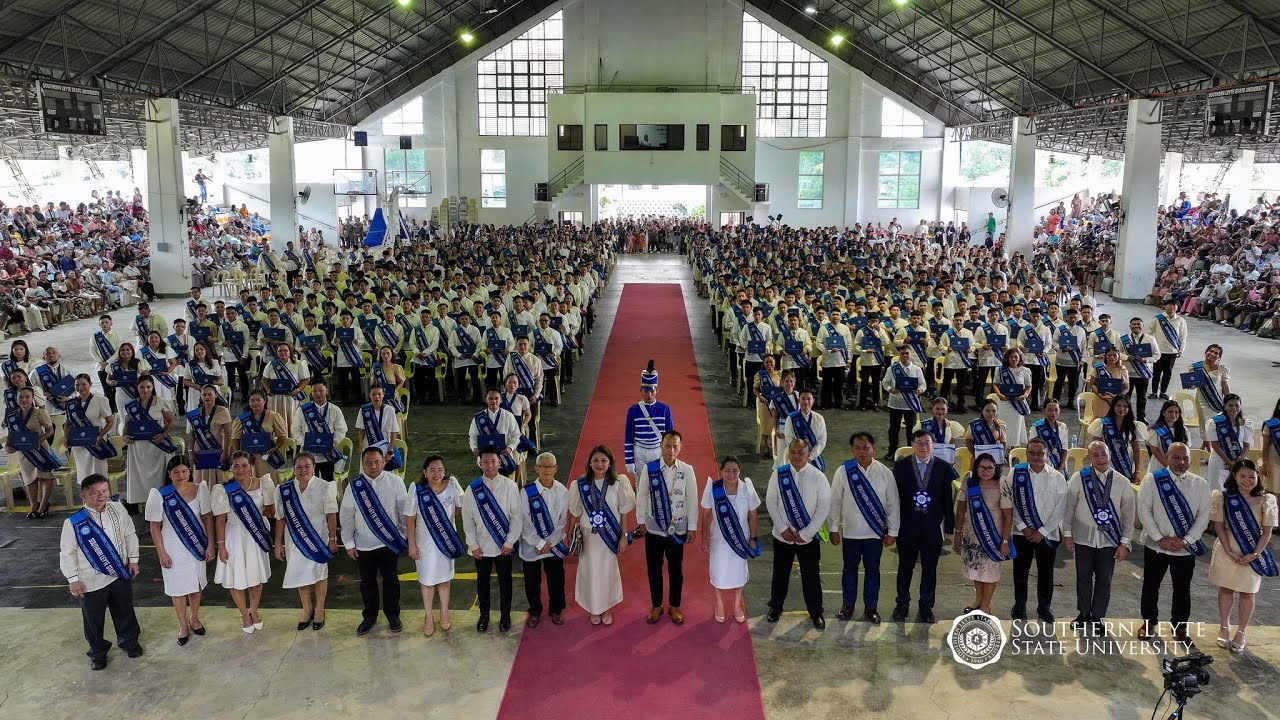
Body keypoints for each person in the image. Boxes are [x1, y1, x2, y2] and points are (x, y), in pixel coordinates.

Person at [59, 474, 142, 670]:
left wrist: (134, 560)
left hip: (119, 572)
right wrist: (73, 579)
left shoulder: (118, 509)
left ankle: (129, 642)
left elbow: (130, 534)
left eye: (104, 491)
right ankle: (97, 653)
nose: (101, 496)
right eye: (94, 493)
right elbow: (67, 552)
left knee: (125, 611)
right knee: (93, 620)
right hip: (90, 580)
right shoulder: (74, 522)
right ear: (83, 496)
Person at [1136, 442, 1210, 643]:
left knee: (1182, 589)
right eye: (1176, 457)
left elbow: (1203, 516)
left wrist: (1186, 540)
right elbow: (1144, 511)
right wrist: (1159, 538)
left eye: (1185, 458)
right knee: (1150, 585)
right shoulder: (1152, 480)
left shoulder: (1200, 484)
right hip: (1156, 545)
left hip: (1185, 548)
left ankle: (1180, 627)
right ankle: (1149, 622)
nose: (1181, 462)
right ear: (1166, 458)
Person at [1063, 441, 1136, 635]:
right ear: (1089, 457)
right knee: (1083, 578)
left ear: (1109, 454)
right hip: (1083, 538)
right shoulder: (1079, 478)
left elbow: (1128, 515)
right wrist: (1067, 534)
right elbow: (1069, 508)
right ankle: (1083, 613)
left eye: (1103, 453)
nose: (1100, 458)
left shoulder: (1122, 482)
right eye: (1095, 455)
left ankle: (1097, 616)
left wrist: (1125, 542)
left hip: (1109, 540)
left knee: (1105, 580)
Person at [827, 431, 899, 624]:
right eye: (857, 448)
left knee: (873, 571)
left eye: (866, 447)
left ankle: (871, 608)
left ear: (873, 448)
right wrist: (833, 528)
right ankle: (847, 606)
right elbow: (834, 501)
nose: (862, 452)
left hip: (875, 534)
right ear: (852, 450)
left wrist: (893, 532)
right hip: (850, 532)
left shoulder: (885, 473)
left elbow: (893, 504)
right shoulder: (844, 472)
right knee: (849, 570)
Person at [1209, 458, 1277, 653]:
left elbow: (1267, 532)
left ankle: (1241, 631)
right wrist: (1229, 550)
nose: (1247, 480)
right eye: (1242, 476)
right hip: (1227, 548)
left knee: (1248, 592)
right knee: (1226, 589)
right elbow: (1219, 526)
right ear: (1234, 476)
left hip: (1253, 551)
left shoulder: (1267, 499)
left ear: (1258, 477)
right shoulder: (1223, 497)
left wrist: (1255, 554)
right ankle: (1224, 626)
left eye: (1251, 476)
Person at [340, 446, 409, 636]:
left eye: (377, 462)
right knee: (367, 583)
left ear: (384, 462)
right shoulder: (354, 487)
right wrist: (348, 543)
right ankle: (369, 617)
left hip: (389, 542)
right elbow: (346, 516)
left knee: (391, 581)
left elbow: (403, 512)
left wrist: (403, 536)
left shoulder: (395, 482)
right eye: (368, 463)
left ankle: (393, 616)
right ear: (362, 464)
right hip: (363, 545)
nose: (373, 466)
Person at [565, 445, 636, 626]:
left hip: (609, 537)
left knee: (607, 573)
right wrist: (570, 533)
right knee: (589, 572)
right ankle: (593, 608)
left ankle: (606, 608)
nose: (599, 464)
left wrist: (623, 536)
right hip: (588, 537)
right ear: (590, 463)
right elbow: (575, 512)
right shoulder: (580, 485)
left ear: (610, 463)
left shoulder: (618, 483)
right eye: (595, 460)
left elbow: (624, 512)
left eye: (604, 460)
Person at [145, 456, 213, 645]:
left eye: (184, 471)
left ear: (190, 472)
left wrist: (210, 544)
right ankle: (182, 624)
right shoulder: (160, 494)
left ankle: (194, 618)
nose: (181, 475)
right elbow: (154, 526)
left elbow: (207, 518)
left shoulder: (200, 489)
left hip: (196, 543)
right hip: (172, 546)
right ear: (169, 474)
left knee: (196, 585)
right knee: (178, 588)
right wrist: (161, 553)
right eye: (176, 472)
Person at [891, 430, 956, 624]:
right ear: (912, 444)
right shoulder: (901, 466)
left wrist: (950, 526)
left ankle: (926, 606)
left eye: (927, 443)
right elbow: (894, 499)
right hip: (907, 526)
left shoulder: (943, 467)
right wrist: (892, 526)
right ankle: (902, 604)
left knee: (930, 568)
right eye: (919, 442)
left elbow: (947, 498)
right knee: (905, 567)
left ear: (933, 445)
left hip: (932, 526)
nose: (923, 447)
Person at [765, 439, 831, 629]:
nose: (796, 456)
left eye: (801, 452)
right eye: (793, 452)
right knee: (780, 573)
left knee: (811, 575)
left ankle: (816, 612)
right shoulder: (779, 474)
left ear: (809, 455)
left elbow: (823, 507)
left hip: (808, 538)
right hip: (782, 536)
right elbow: (771, 501)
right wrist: (782, 528)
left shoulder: (819, 477)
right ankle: (775, 607)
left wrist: (807, 533)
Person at [635, 430, 698, 625]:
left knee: (675, 569)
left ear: (681, 447)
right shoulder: (650, 469)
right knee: (654, 568)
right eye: (667, 446)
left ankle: (674, 605)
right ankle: (656, 605)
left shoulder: (687, 470)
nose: (671, 450)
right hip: (654, 528)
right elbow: (642, 495)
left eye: (675, 446)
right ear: (661, 446)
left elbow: (692, 499)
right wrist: (641, 521)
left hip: (677, 529)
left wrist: (692, 526)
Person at [273, 453, 338, 632]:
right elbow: (280, 519)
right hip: (295, 541)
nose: (303, 470)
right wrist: (278, 544)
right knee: (301, 574)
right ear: (294, 469)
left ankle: (320, 609)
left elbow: (331, 515)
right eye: (299, 467)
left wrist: (333, 539)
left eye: (307, 466)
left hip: (318, 540)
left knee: (319, 575)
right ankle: (307, 609)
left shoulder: (325, 487)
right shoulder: (284, 490)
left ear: (314, 468)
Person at [1004, 439, 1067, 622]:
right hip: (1021, 533)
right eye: (1032, 453)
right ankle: (1019, 606)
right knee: (1020, 572)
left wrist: (1043, 531)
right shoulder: (1016, 473)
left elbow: (1060, 508)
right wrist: (1023, 527)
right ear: (1026, 454)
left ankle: (1044, 607)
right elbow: (1010, 501)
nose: (1036, 456)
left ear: (1047, 455)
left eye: (1041, 453)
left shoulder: (1057, 477)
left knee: (1046, 573)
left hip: (1047, 534)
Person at [461, 446, 522, 633]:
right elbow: (467, 519)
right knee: (482, 582)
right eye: (485, 462)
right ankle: (484, 616)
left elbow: (517, 517)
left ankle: (505, 616)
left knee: (505, 582)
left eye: (493, 461)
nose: (489, 465)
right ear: (479, 463)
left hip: (504, 545)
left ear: (500, 462)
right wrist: (473, 544)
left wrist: (510, 542)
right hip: (481, 546)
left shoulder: (510, 486)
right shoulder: (472, 489)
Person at [212, 453, 275, 633]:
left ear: (251, 466)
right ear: (231, 468)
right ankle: (243, 614)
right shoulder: (223, 489)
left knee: (256, 577)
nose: (240, 470)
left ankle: (253, 610)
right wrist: (221, 545)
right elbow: (220, 520)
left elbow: (270, 511)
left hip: (256, 536)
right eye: (236, 466)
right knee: (236, 577)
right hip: (234, 536)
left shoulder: (263, 484)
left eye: (244, 465)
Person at [406, 454, 465, 636]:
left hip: (446, 542)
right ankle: (428, 616)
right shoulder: (417, 489)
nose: (436, 474)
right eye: (432, 470)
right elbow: (410, 518)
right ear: (425, 472)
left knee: (444, 580)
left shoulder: (452, 485)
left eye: (440, 470)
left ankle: (444, 613)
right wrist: (411, 544)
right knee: (427, 581)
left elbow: (460, 507)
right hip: (424, 544)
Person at [699, 455, 761, 624]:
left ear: (739, 471)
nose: (731, 474)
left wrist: (753, 538)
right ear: (722, 471)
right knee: (719, 571)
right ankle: (719, 604)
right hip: (719, 539)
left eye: (735, 471)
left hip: (740, 540)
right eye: (727, 470)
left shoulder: (747, 488)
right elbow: (706, 515)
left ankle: (737, 604)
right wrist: (704, 539)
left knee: (739, 572)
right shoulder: (714, 488)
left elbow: (753, 515)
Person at [953, 453, 1014, 615]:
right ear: (976, 467)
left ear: (996, 468)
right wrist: (957, 532)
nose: (986, 471)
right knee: (976, 569)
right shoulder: (969, 480)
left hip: (993, 536)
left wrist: (1005, 541)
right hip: (972, 535)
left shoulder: (1002, 483)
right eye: (982, 468)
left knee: (991, 571)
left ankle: (986, 604)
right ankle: (978, 599)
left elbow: (1008, 516)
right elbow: (961, 508)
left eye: (990, 468)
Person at [517, 452, 568, 629]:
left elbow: (563, 522)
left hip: (553, 545)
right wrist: (539, 543)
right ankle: (534, 611)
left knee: (556, 579)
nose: (547, 469)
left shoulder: (563, 491)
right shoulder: (526, 492)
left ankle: (556, 610)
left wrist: (549, 544)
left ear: (556, 468)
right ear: (536, 468)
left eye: (550, 466)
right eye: (543, 466)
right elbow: (524, 520)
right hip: (532, 546)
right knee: (532, 580)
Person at [123, 375, 177, 509]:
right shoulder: (130, 405)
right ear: (137, 388)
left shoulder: (162, 402)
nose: (145, 390)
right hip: (138, 448)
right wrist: (124, 437)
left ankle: (161, 502)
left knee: (159, 477)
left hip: (157, 446)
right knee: (140, 477)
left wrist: (163, 435)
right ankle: (145, 503)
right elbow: (127, 425)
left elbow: (170, 421)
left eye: (148, 387)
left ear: (153, 387)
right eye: (142, 387)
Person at [7, 386, 60, 518]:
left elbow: (50, 431)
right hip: (23, 452)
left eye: (27, 397)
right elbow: (11, 434)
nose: (24, 400)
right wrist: (8, 445)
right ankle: (33, 505)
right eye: (21, 397)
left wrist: (37, 441)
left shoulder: (39, 413)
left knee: (44, 476)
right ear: (16, 399)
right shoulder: (12, 416)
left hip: (40, 450)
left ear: (32, 398)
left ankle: (43, 505)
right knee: (29, 478)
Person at [291, 381, 348, 481]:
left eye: (321, 390)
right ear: (311, 393)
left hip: (328, 455)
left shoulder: (335, 409)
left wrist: (332, 443)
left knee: (328, 483)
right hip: (308, 455)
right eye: (315, 391)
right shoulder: (302, 410)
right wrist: (303, 442)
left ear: (327, 391)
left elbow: (341, 429)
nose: (318, 393)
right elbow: (295, 429)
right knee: (309, 483)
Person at [64, 373, 117, 482]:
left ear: (90, 384)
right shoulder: (71, 403)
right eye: (77, 385)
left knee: (99, 475)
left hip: (96, 442)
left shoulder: (100, 400)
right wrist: (66, 438)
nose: (80, 388)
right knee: (84, 476)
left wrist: (101, 435)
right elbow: (67, 424)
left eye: (84, 384)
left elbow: (110, 422)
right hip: (79, 444)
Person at [624, 360, 674, 473]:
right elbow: (628, 436)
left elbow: (670, 435)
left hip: (658, 451)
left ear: (657, 391)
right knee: (640, 482)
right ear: (641, 391)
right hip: (639, 452)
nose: (649, 395)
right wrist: (629, 460)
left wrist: (670, 455)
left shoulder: (665, 409)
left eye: (652, 391)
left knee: (659, 481)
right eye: (646, 391)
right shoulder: (633, 410)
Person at [1088, 395, 1147, 485]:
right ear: (1113, 406)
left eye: (1125, 406)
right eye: (1118, 405)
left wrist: (1137, 470)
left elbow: (1136, 449)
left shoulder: (1133, 426)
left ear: (1129, 408)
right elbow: (1094, 448)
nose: (1121, 409)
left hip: (1126, 465)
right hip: (1105, 463)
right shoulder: (1102, 424)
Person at [881, 344, 927, 459]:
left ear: (911, 354)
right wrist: (890, 389)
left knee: (911, 430)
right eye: (902, 353)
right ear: (899, 355)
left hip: (910, 404)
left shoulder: (917, 369)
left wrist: (920, 390)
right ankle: (892, 451)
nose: (905, 355)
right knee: (893, 429)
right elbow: (885, 382)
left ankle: (910, 451)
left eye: (907, 353)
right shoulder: (892, 369)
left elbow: (923, 384)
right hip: (895, 403)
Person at [232, 391, 288, 481]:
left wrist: (275, 448)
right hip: (249, 458)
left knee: (269, 485)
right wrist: (239, 455)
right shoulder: (242, 419)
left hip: (268, 457)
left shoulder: (273, 416)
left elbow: (281, 436)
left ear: (264, 401)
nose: (255, 403)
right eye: (252, 400)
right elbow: (235, 438)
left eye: (258, 400)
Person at [1206, 393, 1252, 493]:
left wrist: (1238, 461)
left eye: (1237, 405)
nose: (1234, 408)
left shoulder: (1245, 423)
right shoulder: (1215, 422)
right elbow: (1214, 445)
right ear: (1225, 407)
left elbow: (1247, 446)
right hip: (1218, 461)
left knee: (1237, 491)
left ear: (1240, 406)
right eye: (1230, 405)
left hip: (1238, 461)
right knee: (1217, 491)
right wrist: (1229, 463)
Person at [1121, 317, 1160, 424]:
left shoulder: (1150, 339)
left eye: (1138, 324)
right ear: (1130, 326)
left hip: (1143, 374)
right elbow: (1117, 353)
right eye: (1133, 324)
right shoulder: (1123, 339)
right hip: (1127, 373)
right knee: (1126, 397)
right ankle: (1126, 416)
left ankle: (1141, 416)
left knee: (1142, 397)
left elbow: (1157, 355)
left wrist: (1145, 360)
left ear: (1143, 326)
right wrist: (1126, 357)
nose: (1136, 326)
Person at [993, 348, 1033, 446]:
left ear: (1020, 358)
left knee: (1015, 427)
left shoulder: (1025, 370)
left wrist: (1025, 395)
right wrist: (999, 394)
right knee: (1002, 426)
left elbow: (1028, 386)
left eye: (1016, 357)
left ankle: (1013, 448)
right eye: (1011, 357)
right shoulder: (999, 369)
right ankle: (1002, 447)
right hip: (1004, 402)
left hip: (1017, 403)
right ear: (1007, 358)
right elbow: (995, 384)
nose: (1013, 359)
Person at [1187, 344, 1230, 435]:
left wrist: (1228, 401)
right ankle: (1206, 442)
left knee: (1216, 425)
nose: (1212, 354)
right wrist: (1191, 386)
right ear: (1206, 352)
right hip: (1202, 400)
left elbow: (1225, 386)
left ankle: (1213, 442)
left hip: (1218, 401)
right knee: (1205, 424)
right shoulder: (1195, 367)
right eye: (1211, 351)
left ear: (1219, 357)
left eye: (1216, 353)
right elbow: (1192, 384)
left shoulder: (1223, 369)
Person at [356, 385, 402, 470]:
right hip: (368, 447)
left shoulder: (389, 410)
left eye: (379, 394)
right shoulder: (364, 410)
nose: (376, 397)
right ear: (369, 395)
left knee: (384, 474)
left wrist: (389, 452)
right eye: (373, 394)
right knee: (368, 472)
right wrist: (361, 444)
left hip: (385, 448)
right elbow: (362, 430)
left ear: (383, 395)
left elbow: (394, 433)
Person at [1148, 300, 1187, 399]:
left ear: (1177, 307)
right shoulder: (1157, 319)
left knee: (1168, 373)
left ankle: (1163, 392)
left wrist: (1181, 350)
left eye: (1174, 305)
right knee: (1156, 373)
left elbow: (1183, 337)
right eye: (1169, 305)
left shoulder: (1181, 320)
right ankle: (1154, 392)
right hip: (1159, 351)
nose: (1172, 307)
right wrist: (1150, 347)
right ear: (1165, 306)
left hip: (1172, 352)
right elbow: (1149, 333)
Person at [782, 388, 827, 471]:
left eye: (809, 399)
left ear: (813, 401)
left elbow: (822, 442)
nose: (806, 402)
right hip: (796, 457)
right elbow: (789, 439)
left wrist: (810, 457)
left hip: (813, 457)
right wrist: (800, 455)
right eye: (803, 399)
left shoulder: (819, 419)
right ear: (799, 400)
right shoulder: (791, 418)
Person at [1145, 399, 1189, 475]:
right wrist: (1168, 466)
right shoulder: (1155, 430)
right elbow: (1155, 451)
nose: (1173, 414)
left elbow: (1186, 451)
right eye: (1170, 411)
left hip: (1179, 467)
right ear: (1163, 413)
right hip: (1159, 466)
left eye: (1176, 412)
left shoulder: (1184, 430)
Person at [965, 398, 1009, 469]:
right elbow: (967, 441)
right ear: (982, 411)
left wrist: (1001, 456)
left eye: (994, 411)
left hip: (994, 461)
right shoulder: (974, 425)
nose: (991, 413)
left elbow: (1003, 442)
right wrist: (975, 454)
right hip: (978, 460)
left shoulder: (1000, 425)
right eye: (987, 411)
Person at [1030, 398, 1069, 474]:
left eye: (1056, 410)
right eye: (1050, 410)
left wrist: (1061, 467)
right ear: (1044, 410)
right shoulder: (1037, 427)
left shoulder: (1063, 427)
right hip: (1041, 464)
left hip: (1059, 463)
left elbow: (1064, 448)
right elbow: (1032, 448)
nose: (1053, 413)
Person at [1262, 398, 1280, 488]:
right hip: (1274, 462)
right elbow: (1265, 446)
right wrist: (1265, 464)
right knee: (1274, 491)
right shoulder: (1271, 424)